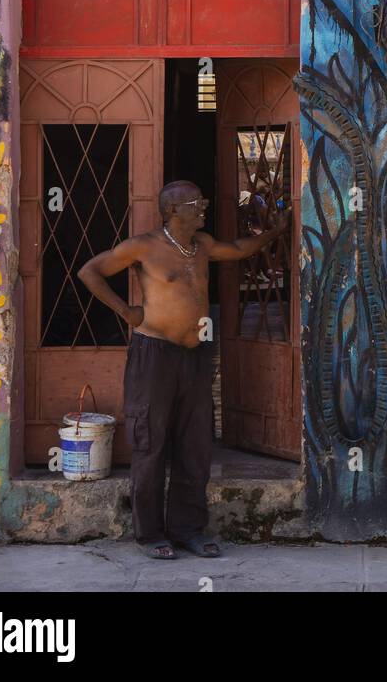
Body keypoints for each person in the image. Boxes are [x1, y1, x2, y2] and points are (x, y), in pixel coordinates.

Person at [77, 180, 287, 560]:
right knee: (151, 444)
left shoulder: (202, 244)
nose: (203, 207)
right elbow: (90, 271)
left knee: (194, 445)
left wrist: (275, 231)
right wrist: (126, 312)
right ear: (172, 210)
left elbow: (240, 249)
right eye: (196, 202)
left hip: (196, 354)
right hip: (153, 354)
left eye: (202, 200)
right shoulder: (143, 245)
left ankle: (188, 529)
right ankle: (151, 534)